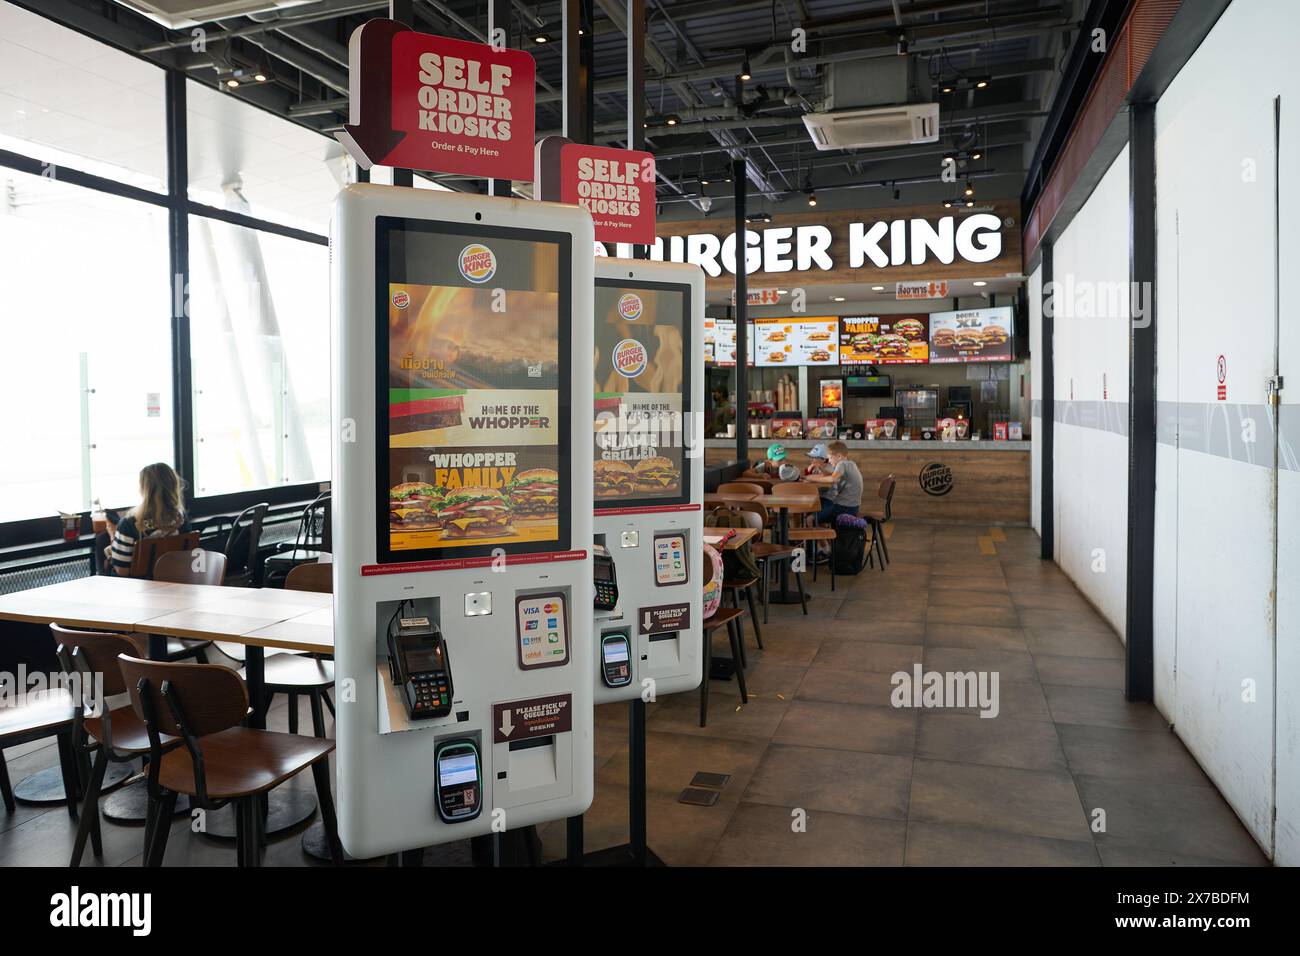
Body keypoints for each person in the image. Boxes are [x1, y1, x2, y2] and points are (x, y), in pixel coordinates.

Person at [104, 462, 188, 576]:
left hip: (138, 588)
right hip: (174, 582)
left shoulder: (129, 524)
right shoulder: (181, 519)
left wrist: (113, 537)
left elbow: (122, 571)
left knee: (101, 547)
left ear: (144, 489)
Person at [805, 441, 863, 526]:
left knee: (810, 519)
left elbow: (833, 479)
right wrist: (820, 468)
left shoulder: (841, 464)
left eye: (830, 458)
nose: (829, 461)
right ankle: (825, 538)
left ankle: (822, 539)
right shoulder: (851, 463)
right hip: (853, 507)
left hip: (844, 507)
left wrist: (813, 480)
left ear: (839, 456)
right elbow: (832, 475)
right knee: (818, 511)